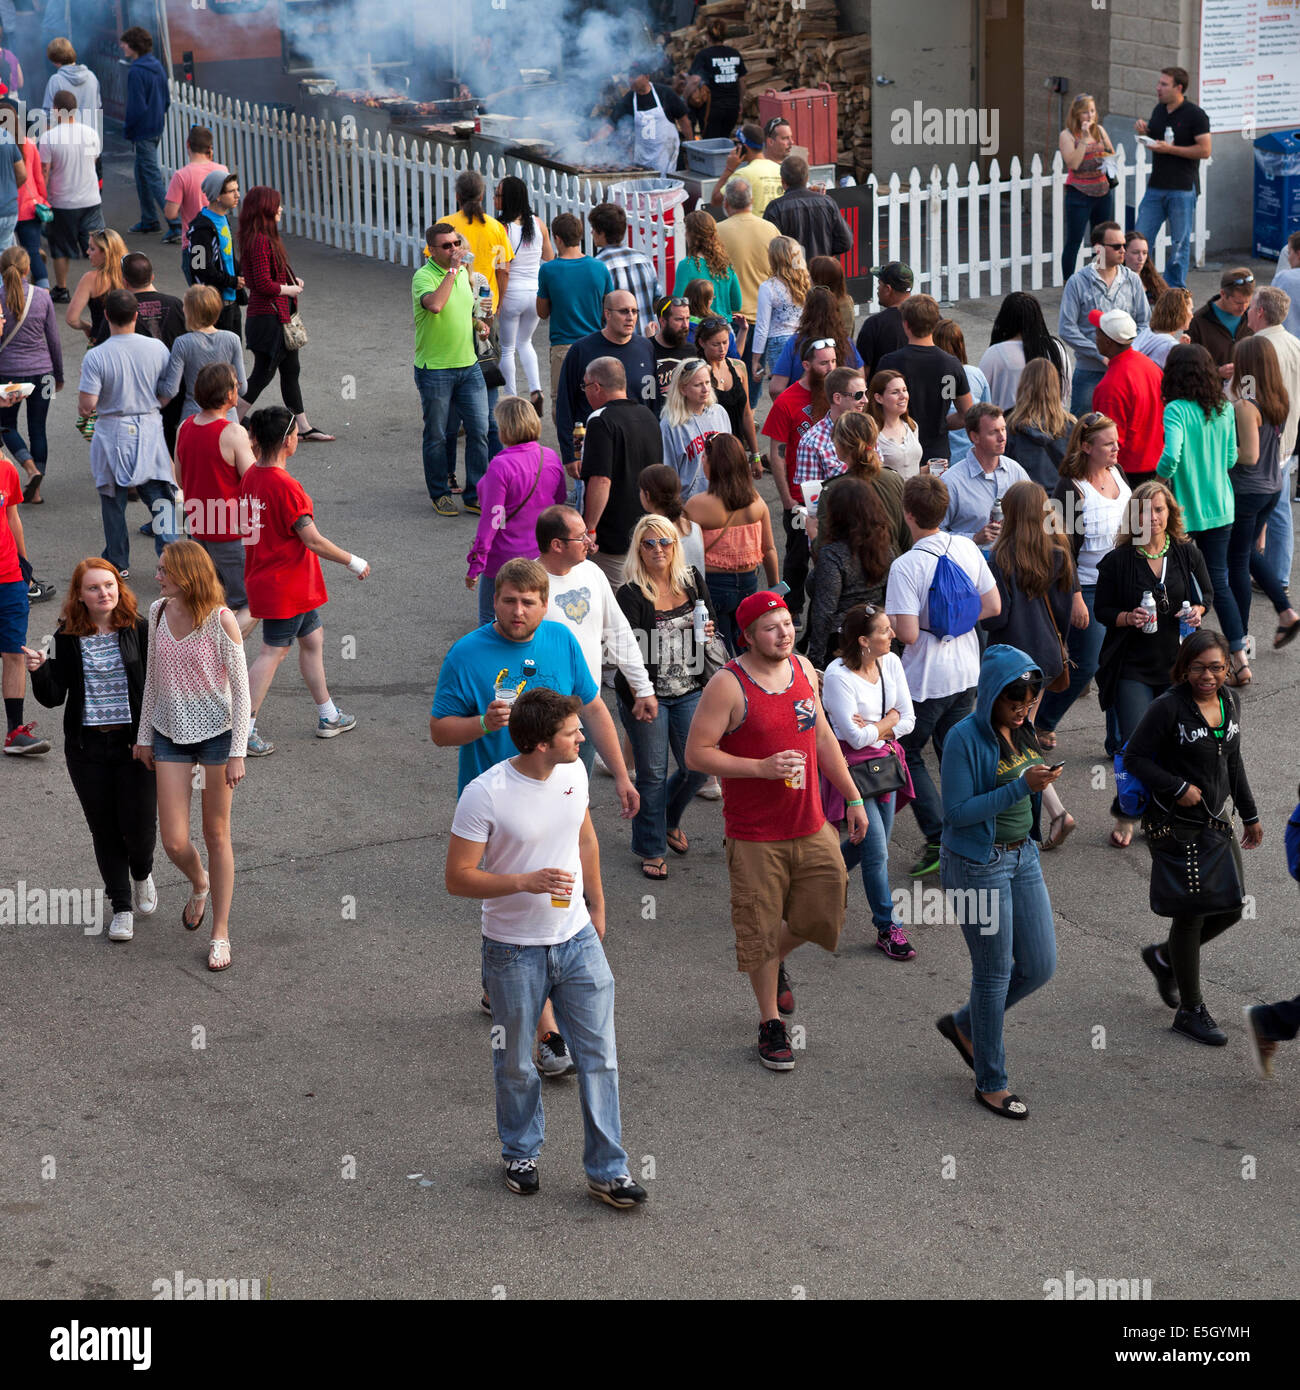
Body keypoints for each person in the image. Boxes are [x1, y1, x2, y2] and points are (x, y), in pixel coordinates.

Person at [444, 687, 648, 1208]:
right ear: (540, 743)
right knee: (515, 1060)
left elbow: (584, 838)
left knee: (599, 1055)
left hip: (576, 937)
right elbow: (458, 879)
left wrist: (596, 904)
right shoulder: (485, 793)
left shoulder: (575, 773)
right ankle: (520, 1152)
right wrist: (524, 882)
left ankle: (608, 1170)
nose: (583, 736)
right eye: (571, 732)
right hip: (512, 949)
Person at [684, 589, 866, 1071]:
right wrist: (760, 768)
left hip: (810, 822)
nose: (783, 632)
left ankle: (771, 955)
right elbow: (697, 754)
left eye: (787, 623)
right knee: (760, 929)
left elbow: (823, 737)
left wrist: (851, 796)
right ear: (747, 636)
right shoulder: (728, 685)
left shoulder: (805, 669)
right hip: (754, 834)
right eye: (771, 627)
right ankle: (770, 1024)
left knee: (824, 912)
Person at [935, 648, 1061, 1119]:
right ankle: (991, 1081)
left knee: (1041, 964)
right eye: (1015, 702)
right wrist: (1020, 788)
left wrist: (1051, 800)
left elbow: (1028, 779)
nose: (1024, 710)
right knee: (993, 974)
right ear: (991, 696)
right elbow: (957, 813)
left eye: (1029, 701)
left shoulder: (1022, 727)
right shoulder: (963, 737)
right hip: (976, 865)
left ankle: (966, 1025)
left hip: (1022, 855)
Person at [1125, 629, 1261, 1045]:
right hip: (1177, 825)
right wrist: (1176, 786)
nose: (1209, 675)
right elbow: (1133, 758)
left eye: (1217, 667)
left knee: (1231, 906)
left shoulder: (1229, 701)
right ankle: (1190, 1009)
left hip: (1217, 821)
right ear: (1184, 667)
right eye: (1199, 667)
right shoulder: (1168, 708)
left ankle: (1166, 958)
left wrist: (1251, 814)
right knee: (1192, 914)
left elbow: (1232, 762)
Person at [430, 555, 637, 814]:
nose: (518, 611)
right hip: (495, 801)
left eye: (528, 602)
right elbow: (439, 732)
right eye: (509, 601)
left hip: (558, 795)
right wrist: (484, 723)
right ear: (494, 601)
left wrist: (622, 776)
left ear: (544, 605)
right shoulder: (465, 655)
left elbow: (593, 710)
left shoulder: (562, 639)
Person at [132, 540, 248, 969]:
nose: (158, 575)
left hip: (218, 735)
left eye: (165, 570)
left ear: (188, 574)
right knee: (174, 840)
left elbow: (242, 691)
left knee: (217, 833)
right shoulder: (158, 612)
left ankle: (221, 933)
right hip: (168, 733)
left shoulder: (222, 621)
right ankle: (198, 881)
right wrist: (144, 735)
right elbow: (152, 681)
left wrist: (238, 751)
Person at [25, 559, 155, 937]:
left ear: (119, 588)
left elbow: (155, 686)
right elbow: (53, 697)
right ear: (79, 595)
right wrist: (39, 671)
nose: (104, 593)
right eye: (94, 588)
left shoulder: (139, 628)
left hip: (135, 746)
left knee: (141, 827)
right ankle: (121, 908)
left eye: (109, 585)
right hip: (87, 749)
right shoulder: (66, 637)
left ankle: (142, 873)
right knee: (104, 828)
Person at [885, 474, 1000, 878]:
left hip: (925, 678)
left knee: (908, 752)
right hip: (968, 669)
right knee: (956, 754)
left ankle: (937, 836)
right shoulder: (967, 547)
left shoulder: (906, 566)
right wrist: (955, 621)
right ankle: (972, 833)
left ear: (908, 514)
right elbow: (992, 605)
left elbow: (909, 634)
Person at [239, 407, 367, 757]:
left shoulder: (250, 477)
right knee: (272, 654)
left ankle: (328, 715)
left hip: (272, 579)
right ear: (288, 441)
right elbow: (313, 540)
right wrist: (353, 561)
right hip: (288, 586)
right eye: (296, 434)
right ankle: (243, 728)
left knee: (312, 639)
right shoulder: (287, 486)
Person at [1094, 478, 1210, 847]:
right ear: (1134, 517)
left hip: (1177, 667)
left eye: (1159, 510)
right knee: (1134, 743)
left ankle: (1163, 810)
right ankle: (1128, 812)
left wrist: (1199, 612)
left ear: (1169, 512)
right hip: (1132, 667)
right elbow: (1102, 610)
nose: (1153, 518)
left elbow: (1206, 593)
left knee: (1177, 743)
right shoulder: (1118, 561)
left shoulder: (1185, 552)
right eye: (1145, 511)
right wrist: (1127, 617)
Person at [979, 480, 1084, 848]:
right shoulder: (1059, 554)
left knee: (1014, 737)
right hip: (1047, 658)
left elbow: (997, 617)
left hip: (1012, 662)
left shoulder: (1000, 557)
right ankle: (1055, 811)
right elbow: (1062, 612)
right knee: (1023, 733)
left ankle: (1047, 814)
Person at [614, 513, 716, 879]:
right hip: (647, 696)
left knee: (698, 767)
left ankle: (668, 819)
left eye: (665, 542)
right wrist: (643, 692)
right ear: (638, 550)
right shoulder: (630, 594)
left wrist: (708, 627)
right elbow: (625, 651)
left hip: (690, 689)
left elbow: (710, 624)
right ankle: (651, 846)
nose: (658, 549)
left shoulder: (690, 580)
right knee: (653, 775)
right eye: (649, 543)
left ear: (676, 545)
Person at [818, 604, 916, 958]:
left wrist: (878, 726)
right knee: (877, 852)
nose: (892, 635)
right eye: (884, 630)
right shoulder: (837, 675)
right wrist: (889, 722)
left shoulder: (890, 662)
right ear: (863, 640)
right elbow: (852, 738)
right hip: (852, 771)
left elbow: (909, 719)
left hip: (883, 765)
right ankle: (887, 927)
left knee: (866, 845)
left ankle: (814, 882)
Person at [1037, 412, 1131, 749]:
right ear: (1087, 446)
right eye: (1108, 445)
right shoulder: (1070, 488)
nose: (1116, 449)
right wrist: (1075, 596)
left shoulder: (1117, 473)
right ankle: (1042, 721)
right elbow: (1062, 551)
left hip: (1123, 583)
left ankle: (1119, 740)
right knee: (1087, 663)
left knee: (1120, 662)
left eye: (1116, 443)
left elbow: (1134, 524)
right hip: (1088, 586)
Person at [78, 288, 178, 576]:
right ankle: (171, 559)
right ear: (136, 315)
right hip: (149, 428)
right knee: (160, 498)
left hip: (111, 430)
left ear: (106, 315)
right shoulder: (158, 348)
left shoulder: (97, 356)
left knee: (113, 501)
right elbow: (168, 390)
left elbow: (87, 405)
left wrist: (87, 409)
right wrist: (152, 405)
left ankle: (118, 561)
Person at [1156, 344, 1241, 678]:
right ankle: (1239, 656)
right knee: (1219, 582)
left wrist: (1157, 483)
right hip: (1222, 507)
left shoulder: (1176, 409)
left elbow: (1171, 455)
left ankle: (1187, 658)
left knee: (1183, 586)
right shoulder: (1224, 408)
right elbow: (1232, 458)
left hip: (1185, 514)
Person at [239, 185, 333, 444]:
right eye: (276, 204)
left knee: (291, 370)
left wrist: (290, 279)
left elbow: (267, 277)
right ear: (265, 209)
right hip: (268, 319)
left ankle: (302, 426)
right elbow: (260, 283)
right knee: (262, 374)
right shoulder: (260, 240)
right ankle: (230, 421)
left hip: (276, 317)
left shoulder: (262, 238)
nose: (280, 208)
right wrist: (290, 288)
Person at [1227, 337, 1299, 660]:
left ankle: (1241, 644)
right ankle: (1286, 613)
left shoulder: (1245, 406)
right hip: (1273, 487)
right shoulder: (1278, 397)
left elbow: (1249, 455)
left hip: (1248, 490)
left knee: (1237, 563)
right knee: (1245, 554)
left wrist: (1222, 453)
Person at [465, 395, 567, 626]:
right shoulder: (549, 457)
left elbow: (491, 522)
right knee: (535, 619)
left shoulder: (500, 466)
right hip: (540, 558)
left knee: (491, 622)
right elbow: (558, 506)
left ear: (506, 428)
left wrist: (476, 564)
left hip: (503, 561)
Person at [413, 221, 489, 518]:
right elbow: (435, 306)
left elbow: (466, 311)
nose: (455, 249)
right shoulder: (424, 276)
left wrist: (479, 324)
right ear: (431, 250)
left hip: (468, 366)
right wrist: (453, 271)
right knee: (437, 435)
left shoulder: (461, 275)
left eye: (457, 243)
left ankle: (474, 494)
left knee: (480, 431)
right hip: (435, 370)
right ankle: (440, 493)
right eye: (447, 246)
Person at [174, 362, 255, 633]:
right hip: (231, 531)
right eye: (235, 384)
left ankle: (202, 650)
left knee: (209, 600)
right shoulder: (233, 432)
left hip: (197, 527)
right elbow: (254, 481)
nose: (239, 387)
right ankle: (222, 653)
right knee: (251, 603)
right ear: (229, 394)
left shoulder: (185, 427)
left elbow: (180, 479)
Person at [763, 338, 838, 625]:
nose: (831, 368)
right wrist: (787, 499)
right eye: (824, 363)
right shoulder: (787, 401)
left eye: (833, 361)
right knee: (796, 559)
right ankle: (791, 609)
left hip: (833, 496)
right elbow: (778, 453)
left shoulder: (837, 396)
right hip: (798, 497)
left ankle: (825, 609)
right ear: (806, 366)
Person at [685, 433, 777, 652]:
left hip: (712, 587)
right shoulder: (755, 501)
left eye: (704, 459)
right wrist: (774, 590)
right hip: (749, 583)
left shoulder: (696, 505)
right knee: (749, 648)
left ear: (712, 463)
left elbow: (685, 557)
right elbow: (770, 549)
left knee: (718, 650)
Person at [578, 356, 663, 586]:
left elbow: (601, 480)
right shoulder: (649, 416)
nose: (585, 392)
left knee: (619, 609)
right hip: (648, 530)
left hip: (613, 537)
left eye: (585, 386)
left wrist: (591, 528)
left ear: (596, 387)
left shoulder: (599, 420)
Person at [555, 290, 658, 469]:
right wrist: (571, 454)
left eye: (634, 311)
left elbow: (653, 402)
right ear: (607, 314)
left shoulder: (646, 347)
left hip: (638, 447)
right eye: (624, 311)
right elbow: (565, 404)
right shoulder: (582, 350)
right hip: (597, 448)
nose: (631, 317)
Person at [1058, 221, 1149, 415]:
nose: (1123, 250)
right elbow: (1066, 328)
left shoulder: (1132, 279)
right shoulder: (1078, 282)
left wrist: (1129, 349)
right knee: (1084, 429)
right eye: (1116, 246)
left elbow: (1144, 322)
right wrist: (1099, 354)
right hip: (1090, 371)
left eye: (1124, 245)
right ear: (1098, 248)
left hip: (1126, 369)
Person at [1133, 65, 1211, 291]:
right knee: (1140, 238)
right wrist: (1144, 133)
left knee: (1179, 243)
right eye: (1159, 83)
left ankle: (1174, 290)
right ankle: (1142, 286)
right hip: (1156, 186)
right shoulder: (1159, 110)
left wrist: (1171, 150)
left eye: (1164, 84)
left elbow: (1205, 150)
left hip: (1182, 188)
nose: (1158, 88)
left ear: (1179, 88)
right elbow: (1157, 142)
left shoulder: (1195, 114)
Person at [805, 476, 892, 670]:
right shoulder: (884, 548)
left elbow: (824, 611)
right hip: (875, 634)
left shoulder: (833, 555)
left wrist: (815, 663)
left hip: (842, 642)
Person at [1, 419, 50, 754]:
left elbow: (13, 517)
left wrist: (24, 565)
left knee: (14, 652)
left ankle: (15, 733)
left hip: (9, 578)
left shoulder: (6, 469)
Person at [1248, 285, 1300, 597]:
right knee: (1280, 511)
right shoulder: (1295, 344)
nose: (1247, 311)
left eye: (1251, 306)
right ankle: (1278, 575)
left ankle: (1260, 572)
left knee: (1257, 512)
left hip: (1262, 445)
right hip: (1288, 441)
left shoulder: (1256, 348)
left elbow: (1245, 395)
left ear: (1260, 312)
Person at [878, 294, 973, 463]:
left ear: (905, 325)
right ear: (936, 324)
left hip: (899, 449)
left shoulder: (890, 362)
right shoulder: (951, 365)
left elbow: (876, 407)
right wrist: (941, 423)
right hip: (938, 452)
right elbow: (967, 414)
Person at [0, 244, 61, 506]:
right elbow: (54, 340)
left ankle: (29, 468)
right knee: (39, 428)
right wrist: (58, 374)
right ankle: (35, 491)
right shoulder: (43, 296)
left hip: (11, 375)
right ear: (28, 269)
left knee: (6, 425)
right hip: (44, 374)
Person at [811, 412, 911, 561]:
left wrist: (813, 533)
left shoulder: (832, 490)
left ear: (841, 444)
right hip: (894, 571)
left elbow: (824, 554)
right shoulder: (895, 479)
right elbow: (907, 537)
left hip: (852, 581)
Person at [36, 89, 101, 305]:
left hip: (62, 200)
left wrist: (42, 198)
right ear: (75, 109)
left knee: (61, 247)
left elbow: (45, 171)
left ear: (55, 110)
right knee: (98, 244)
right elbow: (93, 162)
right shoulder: (91, 133)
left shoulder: (49, 137)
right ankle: (104, 285)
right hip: (91, 198)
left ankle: (62, 288)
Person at [495, 175, 553, 410]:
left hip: (511, 294)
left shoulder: (501, 228)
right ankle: (535, 389)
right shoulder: (538, 224)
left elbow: (501, 267)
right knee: (525, 342)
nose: (495, 198)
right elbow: (549, 260)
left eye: (498, 194)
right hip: (535, 293)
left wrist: (497, 298)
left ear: (507, 198)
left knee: (507, 348)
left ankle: (511, 397)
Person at [1089, 306, 1165, 485]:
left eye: (1098, 332)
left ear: (1108, 342)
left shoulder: (1110, 385)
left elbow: (1108, 442)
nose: (1095, 336)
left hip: (1127, 474)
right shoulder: (1150, 366)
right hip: (1157, 465)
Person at [714, 178, 777, 387]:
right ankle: (751, 411)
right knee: (754, 375)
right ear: (752, 200)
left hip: (729, 316)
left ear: (726, 203)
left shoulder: (717, 231)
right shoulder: (770, 229)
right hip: (762, 316)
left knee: (728, 378)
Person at [941, 404, 1031, 543]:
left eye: (1003, 429)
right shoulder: (951, 482)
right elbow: (936, 535)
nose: (1002, 437)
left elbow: (1033, 516)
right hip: (970, 562)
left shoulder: (1016, 471)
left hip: (1012, 560)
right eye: (993, 432)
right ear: (974, 437)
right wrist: (974, 538)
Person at [120, 27, 177, 241]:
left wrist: (129, 129)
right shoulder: (157, 67)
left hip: (143, 131)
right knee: (142, 173)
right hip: (156, 127)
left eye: (125, 42)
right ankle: (149, 219)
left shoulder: (136, 71)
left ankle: (175, 223)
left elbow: (136, 107)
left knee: (152, 176)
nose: (122, 46)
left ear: (133, 46)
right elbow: (166, 100)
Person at [158, 284, 246, 424]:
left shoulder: (183, 343)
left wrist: (152, 381)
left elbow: (171, 389)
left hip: (194, 415)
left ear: (190, 313)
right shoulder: (232, 339)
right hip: (227, 418)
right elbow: (242, 388)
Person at [978, 290, 1070, 411]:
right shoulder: (1056, 348)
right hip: (1052, 424)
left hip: (1007, 426)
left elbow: (980, 393)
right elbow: (1065, 390)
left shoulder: (995, 353)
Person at [1058, 93, 1115, 281]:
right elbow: (1073, 163)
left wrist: (1105, 155)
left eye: (1092, 111)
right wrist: (1083, 139)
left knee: (1101, 241)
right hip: (1079, 193)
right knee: (1074, 241)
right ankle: (1068, 283)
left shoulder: (1099, 130)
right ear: (1076, 115)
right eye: (1085, 112)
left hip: (1102, 191)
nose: (1089, 116)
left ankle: (1097, 278)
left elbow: (1111, 152)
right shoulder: (1067, 135)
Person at [767, 284, 859, 398]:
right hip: (840, 411)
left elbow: (776, 389)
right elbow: (861, 379)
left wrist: (791, 410)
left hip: (803, 411)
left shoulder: (795, 343)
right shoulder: (846, 342)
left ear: (806, 311)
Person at [603, 65, 693, 177]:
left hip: (668, 156)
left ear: (646, 77)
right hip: (643, 159)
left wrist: (691, 148)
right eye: (629, 76)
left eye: (634, 76)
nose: (630, 80)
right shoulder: (629, 99)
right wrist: (591, 142)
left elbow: (684, 121)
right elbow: (610, 125)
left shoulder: (664, 93)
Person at [588, 202, 661, 339]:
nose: (591, 232)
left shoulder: (598, 265)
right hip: (648, 339)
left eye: (593, 228)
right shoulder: (644, 259)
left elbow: (597, 313)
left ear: (601, 232)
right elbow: (657, 300)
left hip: (618, 342)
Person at [659, 357, 729, 502]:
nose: (705, 389)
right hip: (689, 506)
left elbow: (731, 458)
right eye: (698, 385)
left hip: (723, 499)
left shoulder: (719, 412)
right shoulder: (670, 424)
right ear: (683, 389)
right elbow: (669, 473)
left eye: (708, 382)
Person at [162, 125, 226, 282]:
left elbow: (170, 213)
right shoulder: (222, 170)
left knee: (200, 294)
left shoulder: (182, 175)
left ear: (188, 144)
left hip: (194, 243)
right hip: (220, 238)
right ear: (210, 147)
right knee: (221, 286)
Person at [445, 170, 512, 315]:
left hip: (452, 302)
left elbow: (432, 262)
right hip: (485, 305)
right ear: (481, 196)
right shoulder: (496, 228)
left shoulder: (445, 225)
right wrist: (498, 304)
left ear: (457, 196)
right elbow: (503, 270)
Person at [793, 365, 868, 493]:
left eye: (866, 393)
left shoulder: (868, 430)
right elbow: (813, 498)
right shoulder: (812, 442)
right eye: (859, 395)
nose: (865, 400)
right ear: (837, 398)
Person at [186, 170, 243, 338]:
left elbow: (227, 257)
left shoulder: (224, 219)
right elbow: (199, 267)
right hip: (215, 303)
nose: (237, 195)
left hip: (231, 300)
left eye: (237, 190)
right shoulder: (202, 229)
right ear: (218, 195)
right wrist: (231, 281)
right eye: (232, 191)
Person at [762, 156, 852, 261]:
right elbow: (845, 242)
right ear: (807, 178)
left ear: (782, 181)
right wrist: (823, 251)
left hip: (790, 273)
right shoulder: (827, 203)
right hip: (820, 272)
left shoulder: (775, 208)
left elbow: (767, 247)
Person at [1003, 358, 1075, 490]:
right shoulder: (1071, 425)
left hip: (1027, 501)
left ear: (1023, 385)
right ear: (1056, 387)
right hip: (1066, 500)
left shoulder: (1011, 427)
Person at [695, 314, 757, 458]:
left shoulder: (739, 367)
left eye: (725, 342)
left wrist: (755, 454)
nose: (722, 349)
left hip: (737, 449)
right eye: (716, 344)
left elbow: (746, 414)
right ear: (702, 343)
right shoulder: (697, 374)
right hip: (711, 455)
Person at [751, 235, 807, 391]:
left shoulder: (768, 287)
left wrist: (756, 360)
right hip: (804, 339)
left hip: (779, 342)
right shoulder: (806, 282)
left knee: (783, 395)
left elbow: (762, 327)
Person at [708, 116, 792, 216]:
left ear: (744, 146)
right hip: (777, 230)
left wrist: (729, 169)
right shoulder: (780, 170)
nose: (734, 148)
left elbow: (715, 200)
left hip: (754, 230)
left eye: (737, 143)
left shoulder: (743, 174)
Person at [933, 319, 990, 466]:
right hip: (973, 452)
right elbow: (987, 410)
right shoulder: (976, 374)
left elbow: (948, 410)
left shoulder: (940, 377)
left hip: (948, 455)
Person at [671, 209, 741, 322]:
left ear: (691, 235)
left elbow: (677, 304)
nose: (684, 234)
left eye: (686, 230)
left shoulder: (686, 265)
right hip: (724, 328)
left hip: (699, 329)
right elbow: (736, 304)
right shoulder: (726, 265)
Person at [638, 462, 704, 577]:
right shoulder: (695, 528)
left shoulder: (651, 536)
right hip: (698, 594)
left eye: (640, 490)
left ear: (647, 495)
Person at [687, 18, 745, 139]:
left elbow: (694, 80)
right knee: (724, 140)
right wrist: (740, 102)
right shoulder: (735, 54)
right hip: (732, 108)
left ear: (708, 36)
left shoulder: (703, 55)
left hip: (711, 110)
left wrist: (685, 97)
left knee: (711, 144)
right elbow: (742, 81)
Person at [1186, 266, 1254, 371]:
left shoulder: (1253, 316)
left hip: (1247, 386)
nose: (1243, 308)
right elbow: (1189, 366)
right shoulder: (1198, 322)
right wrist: (1218, 372)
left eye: (1247, 302)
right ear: (1223, 294)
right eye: (1238, 303)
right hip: (1213, 386)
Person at [65, 225, 125, 344]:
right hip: (130, 343)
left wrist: (86, 326)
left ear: (105, 253)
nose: (87, 252)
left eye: (92, 249)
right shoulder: (132, 272)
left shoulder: (91, 279)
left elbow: (72, 319)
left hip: (101, 343)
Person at [856, 262, 912, 382]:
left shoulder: (874, 325)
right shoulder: (932, 318)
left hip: (884, 396)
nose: (877, 289)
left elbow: (862, 373)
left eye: (879, 284)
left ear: (888, 289)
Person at [13, 111, 48, 289]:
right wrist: (44, 199)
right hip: (30, 208)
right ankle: (44, 293)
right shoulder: (28, 144)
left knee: (7, 253)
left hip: (6, 209)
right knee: (32, 251)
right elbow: (38, 177)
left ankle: (13, 292)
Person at [867, 368, 922, 480]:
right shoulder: (870, 432)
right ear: (878, 398)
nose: (903, 396)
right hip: (887, 496)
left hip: (915, 495)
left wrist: (930, 468)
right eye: (895, 392)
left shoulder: (912, 426)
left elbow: (913, 470)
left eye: (904, 390)